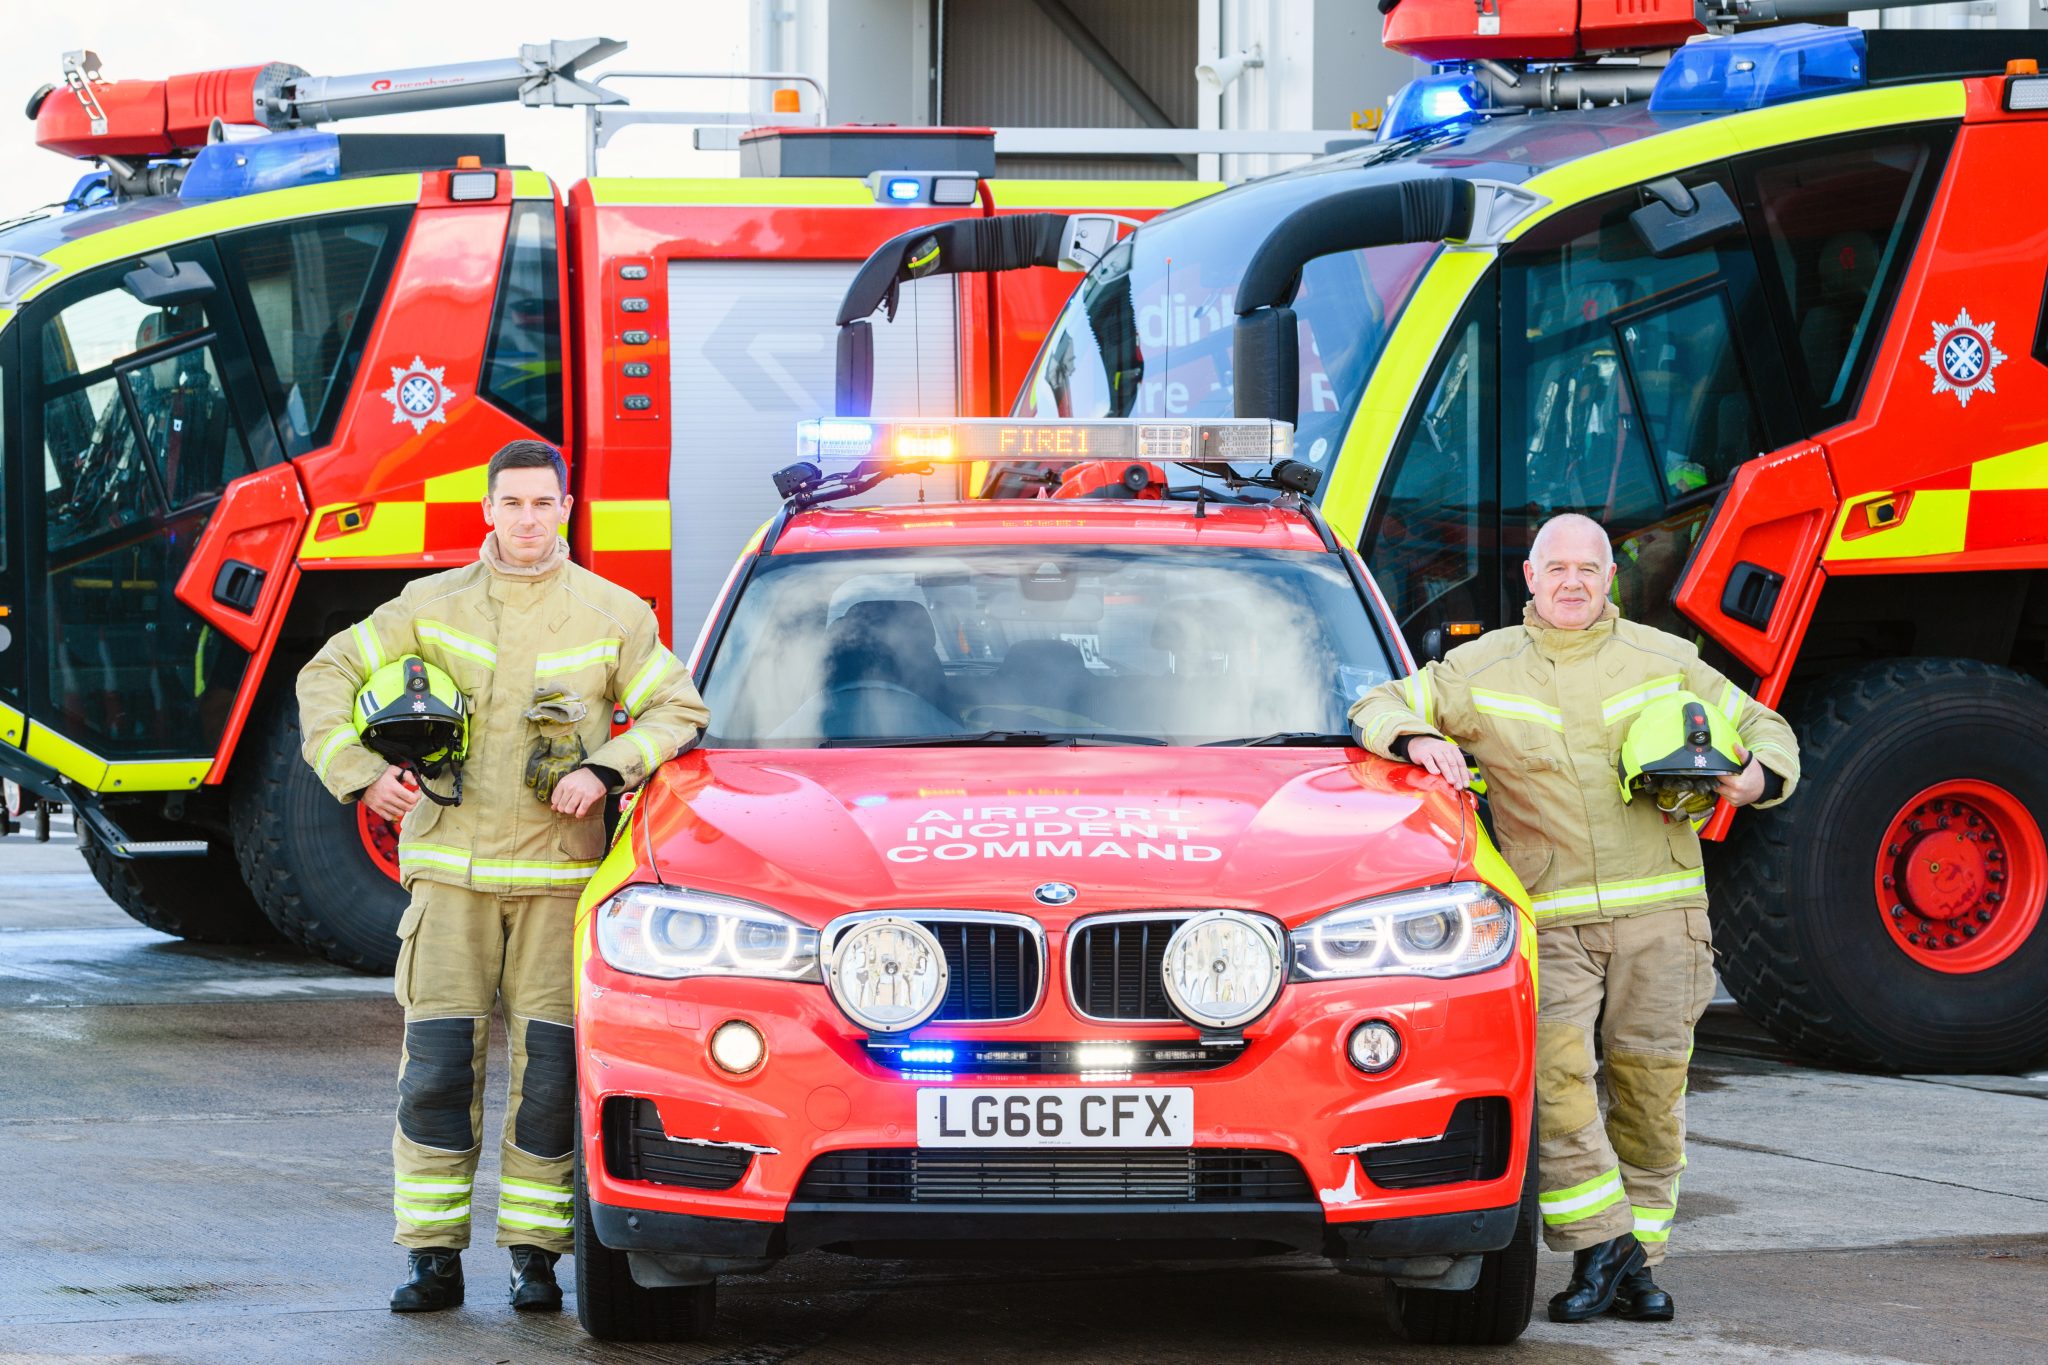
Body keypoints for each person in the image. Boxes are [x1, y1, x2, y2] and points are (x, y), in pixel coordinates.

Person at [1349, 512, 1799, 1324]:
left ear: (1609, 578)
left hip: (1661, 914)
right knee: (1555, 1087)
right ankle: (1601, 1242)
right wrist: (1415, 737)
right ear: (1530, 576)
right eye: (1556, 568)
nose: (1571, 582)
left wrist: (1756, 775)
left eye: (1588, 569)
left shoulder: (1665, 659)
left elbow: (1768, 727)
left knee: (1650, 1090)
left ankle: (1639, 1264)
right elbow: (1376, 702)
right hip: (1550, 921)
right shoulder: (1480, 667)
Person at [296, 439, 709, 1314]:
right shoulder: (429, 604)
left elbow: (679, 707)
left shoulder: (611, 612)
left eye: (542, 503)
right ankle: (431, 1257)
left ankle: (535, 1257)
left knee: (549, 1079)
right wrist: (361, 775)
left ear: (566, 510)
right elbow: (325, 672)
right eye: (511, 503)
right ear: (487, 509)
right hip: (450, 885)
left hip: (560, 884)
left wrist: (604, 769)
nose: (527, 519)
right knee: (437, 1071)